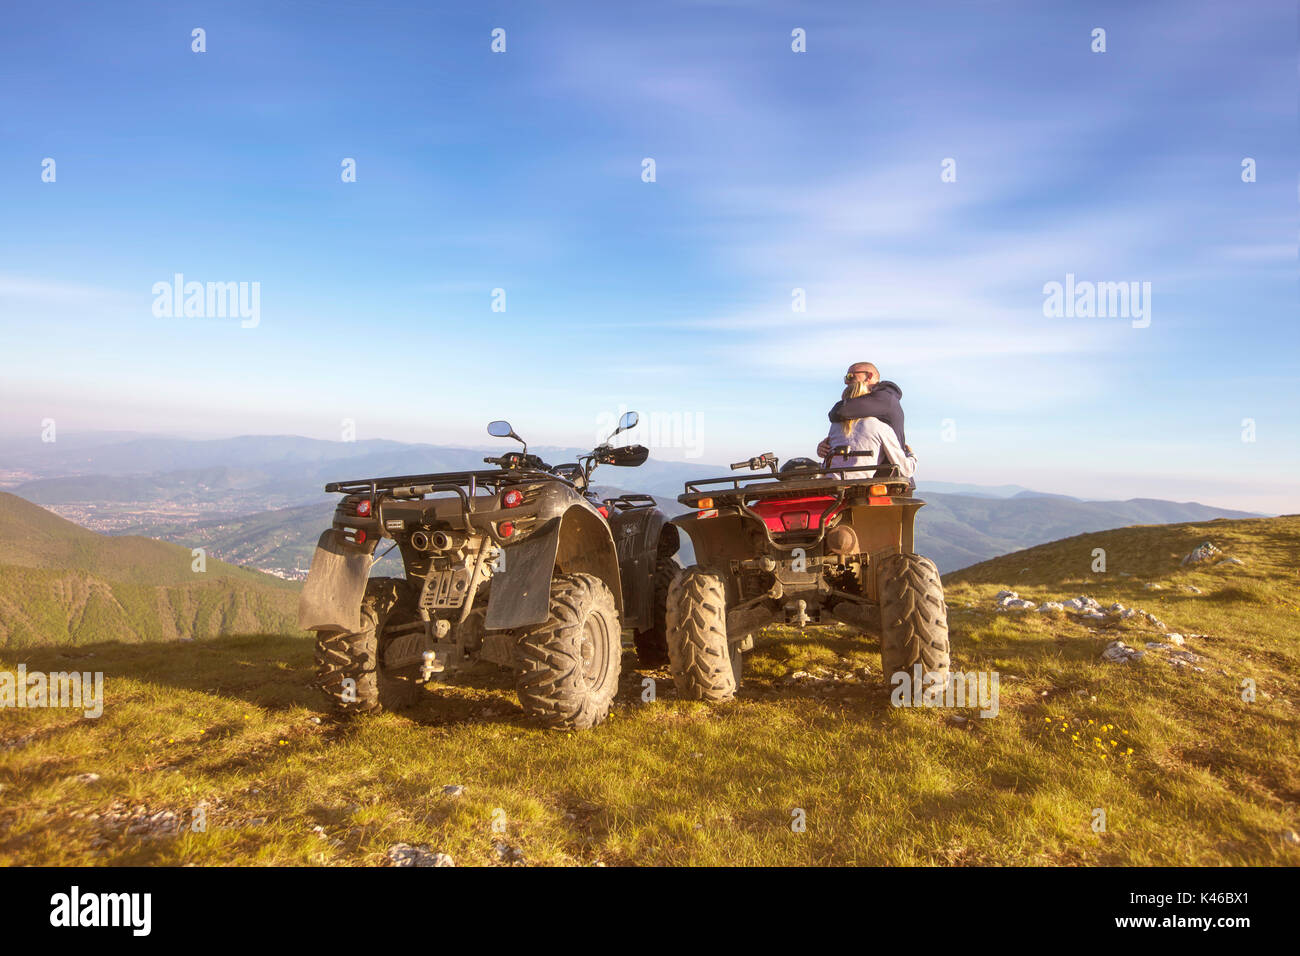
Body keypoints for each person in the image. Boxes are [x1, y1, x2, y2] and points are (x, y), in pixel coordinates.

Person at [817, 362, 916, 480]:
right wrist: (911, 455)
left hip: (834, 483)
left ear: (869, 376)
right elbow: (906, 469)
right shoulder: (878, 426)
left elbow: (841, 411)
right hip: (871, 482)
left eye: (850, 376)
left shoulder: (885, 399)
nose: (846, 382)